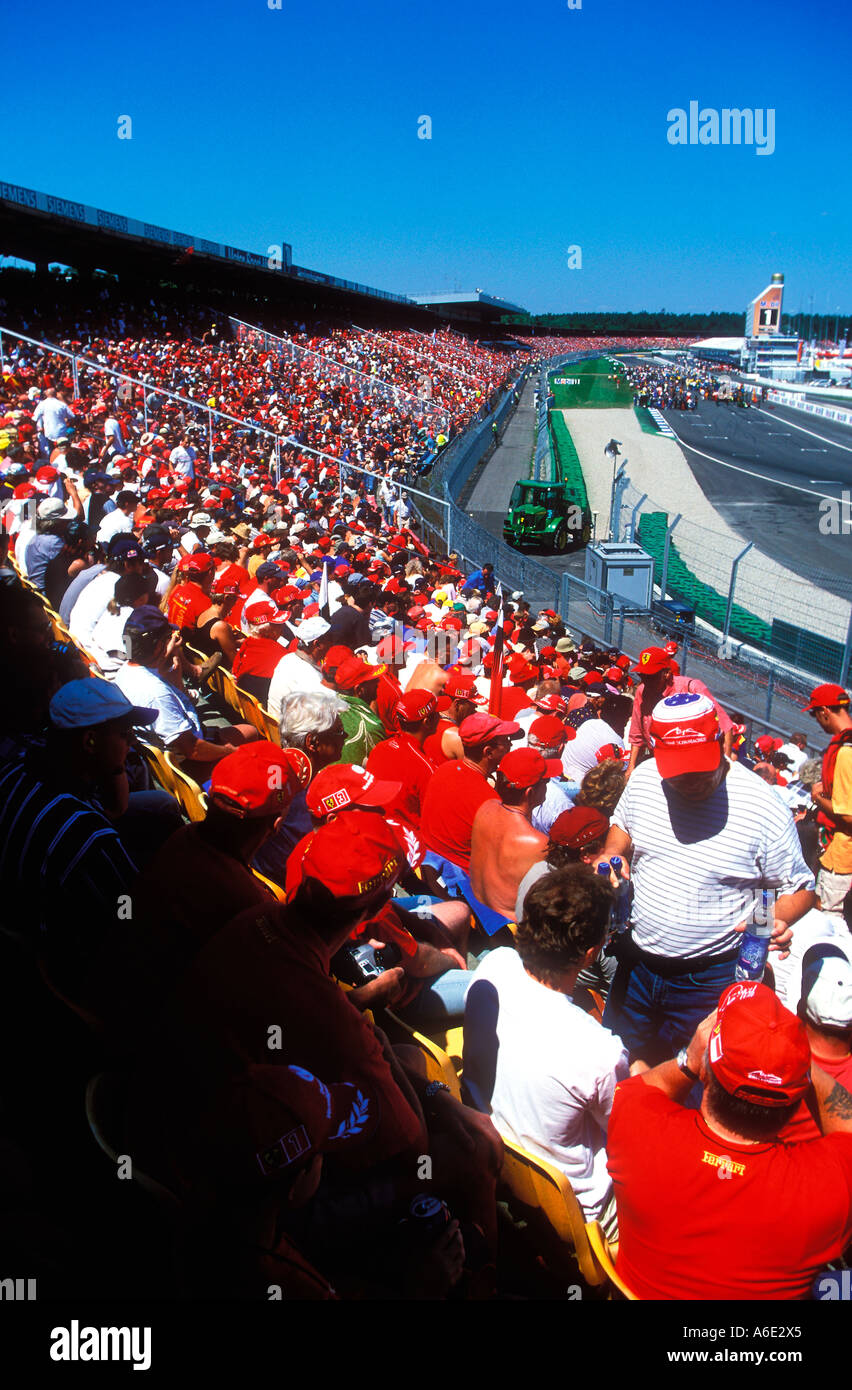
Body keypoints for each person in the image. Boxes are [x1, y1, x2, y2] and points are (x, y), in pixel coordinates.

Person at [597, 691, 815, 1065]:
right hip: (636, 965)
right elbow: (621, 830)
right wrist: (614, 857)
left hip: (710, 978)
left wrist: (766, 923)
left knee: (698, 1078)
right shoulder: (646, 779)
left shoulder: (762, 805)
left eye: (700, 766)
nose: (690, 781)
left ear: (721, 741)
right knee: (619, 1065)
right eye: (678, 770)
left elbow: (798, 889)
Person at [606, 983, 852, 1300]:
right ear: (795, 1104)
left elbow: (644, 1088)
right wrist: (793, 1061)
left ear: (706, 1070)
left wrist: (689, 1059)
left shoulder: (636, 1121)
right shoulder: (829, 1191)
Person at [463, 867, 627, 1234]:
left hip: (501, 1158)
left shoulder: (493, 964)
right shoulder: (599, 1051)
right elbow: (628, 1135)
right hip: (578, 1214)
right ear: (590, 954)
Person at [469, 747, 558, 923]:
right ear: (530, 793)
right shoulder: (538, 844)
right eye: (546, 781)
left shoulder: (486, 807)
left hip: (480, 913)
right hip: (508, 927)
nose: (548, 786)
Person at [625, 646, 733, 778]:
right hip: (661, 762)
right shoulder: (642, 691)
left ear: (667, 673)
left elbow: (725, 725)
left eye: (651, 676)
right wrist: (631, 767)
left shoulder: (691, 688)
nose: (645, 681)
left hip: (695, 765)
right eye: (642, 676)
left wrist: (725, 767)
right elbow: (636, 735)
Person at [803, 683, 852, 916]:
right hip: (840, 853)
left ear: (825, 711)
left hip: (842, 856)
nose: (816, 720)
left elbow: (847, 813)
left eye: (815, 714)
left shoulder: (845, 751)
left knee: (831, 921)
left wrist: (817, 797)